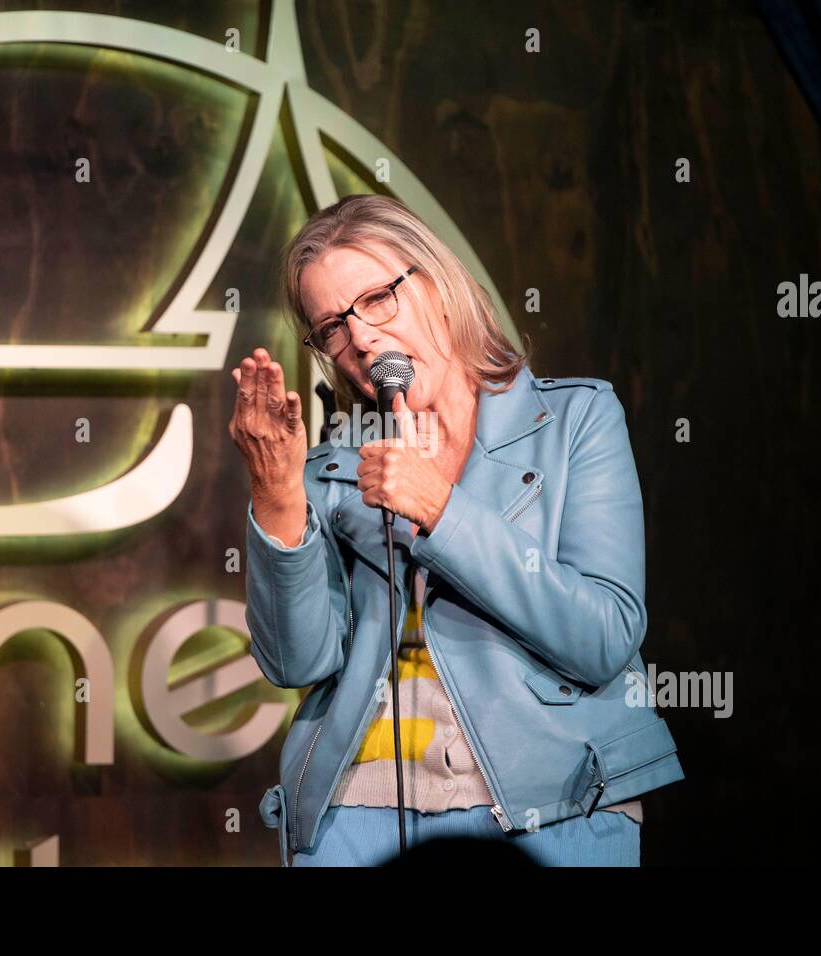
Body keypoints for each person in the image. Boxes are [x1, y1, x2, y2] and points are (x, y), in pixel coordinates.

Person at [229, 194, 683, 866]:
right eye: (330, 326)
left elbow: (603, 636)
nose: (360, 338)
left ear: (438, 286)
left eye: (377, 298)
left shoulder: (574, 421)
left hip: (551, 809)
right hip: (355, 820)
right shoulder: (328, 471)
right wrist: (276, 493)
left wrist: (443, 510)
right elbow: (298, 663)